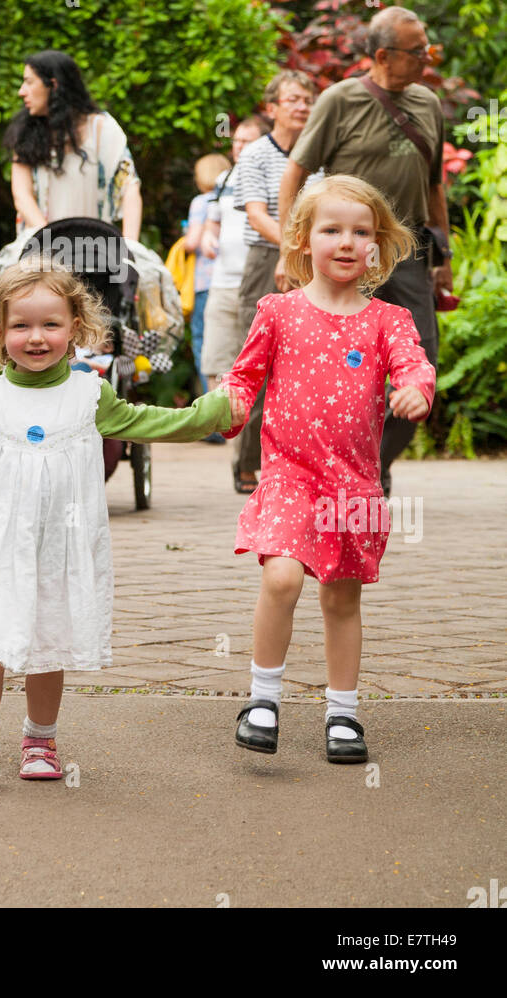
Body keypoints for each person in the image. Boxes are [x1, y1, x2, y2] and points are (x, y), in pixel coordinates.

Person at [0, 259, 239, 790]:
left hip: (62, 551)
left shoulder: (90, 394)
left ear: (75, 327)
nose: (35, 337)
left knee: (49, 642)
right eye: (20, 325)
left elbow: (148, 423)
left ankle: (39, 740)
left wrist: (209, 414)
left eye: (50, 324)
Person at [221, 176, 435, 763]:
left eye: (361, 232)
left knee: (341, 601)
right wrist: (230, 407)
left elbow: (414, 366)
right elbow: (242, 378)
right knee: (283, 578)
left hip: (353, 483)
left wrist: (417, 389)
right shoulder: (279, 311)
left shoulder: (387, 320)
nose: (346, 242)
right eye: (331, 229)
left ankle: (343, 713)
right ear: (303, 240)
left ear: (377, 245)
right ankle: (263, 700)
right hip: (289, 473)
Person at [277, 6, 448, 497]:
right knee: (342, 359)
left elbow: (435, 184)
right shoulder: (339, 100)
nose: (426, 58)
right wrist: (294, 247)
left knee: (423, 361)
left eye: (426, 49)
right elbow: (296, 172)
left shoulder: (428, 104)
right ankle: (336, 466)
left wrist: (445, 258)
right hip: (347, 249)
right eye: (417, 52)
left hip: (409, 250)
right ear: (381, 55)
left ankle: (374, 461)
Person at [231, 72, 323, 494]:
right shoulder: (253, 154)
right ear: (271, 109)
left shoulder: (321, 156)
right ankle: (247, 464)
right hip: (267, 258)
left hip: (315, 260)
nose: (302, 106)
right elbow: (255, 212)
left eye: (308, 99)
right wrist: (291, 247)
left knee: (311, 365)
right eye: (293, 99)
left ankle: (300, 465)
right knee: (257, 362)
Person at [5, 51, 142, 239]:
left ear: (53, 85)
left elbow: (129, 187)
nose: (22, 91)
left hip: (97, 250)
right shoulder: (26, 133)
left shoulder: (102, 129)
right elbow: (22, 195)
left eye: (29, 82)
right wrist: (51, 242)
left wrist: (129, 248)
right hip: (42, 251)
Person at [201, 117, 267, 396]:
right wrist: (207, 236)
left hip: (257, 284)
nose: (238, 147)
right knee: (216, 359)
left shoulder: (271, 176)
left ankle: (250, 436)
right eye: (236, 141)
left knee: (255, 362)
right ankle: (224, 426)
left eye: (246, 141)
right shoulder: (224, 178)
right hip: (222, 283)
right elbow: (212, 220)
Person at [182, 152, 230, 400]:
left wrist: (183, 241)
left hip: (205, 284)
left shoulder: (202, 202)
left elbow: (193, 242)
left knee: (205, 347)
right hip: (231, 282)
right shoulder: (234, 198)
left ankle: (212, 416)